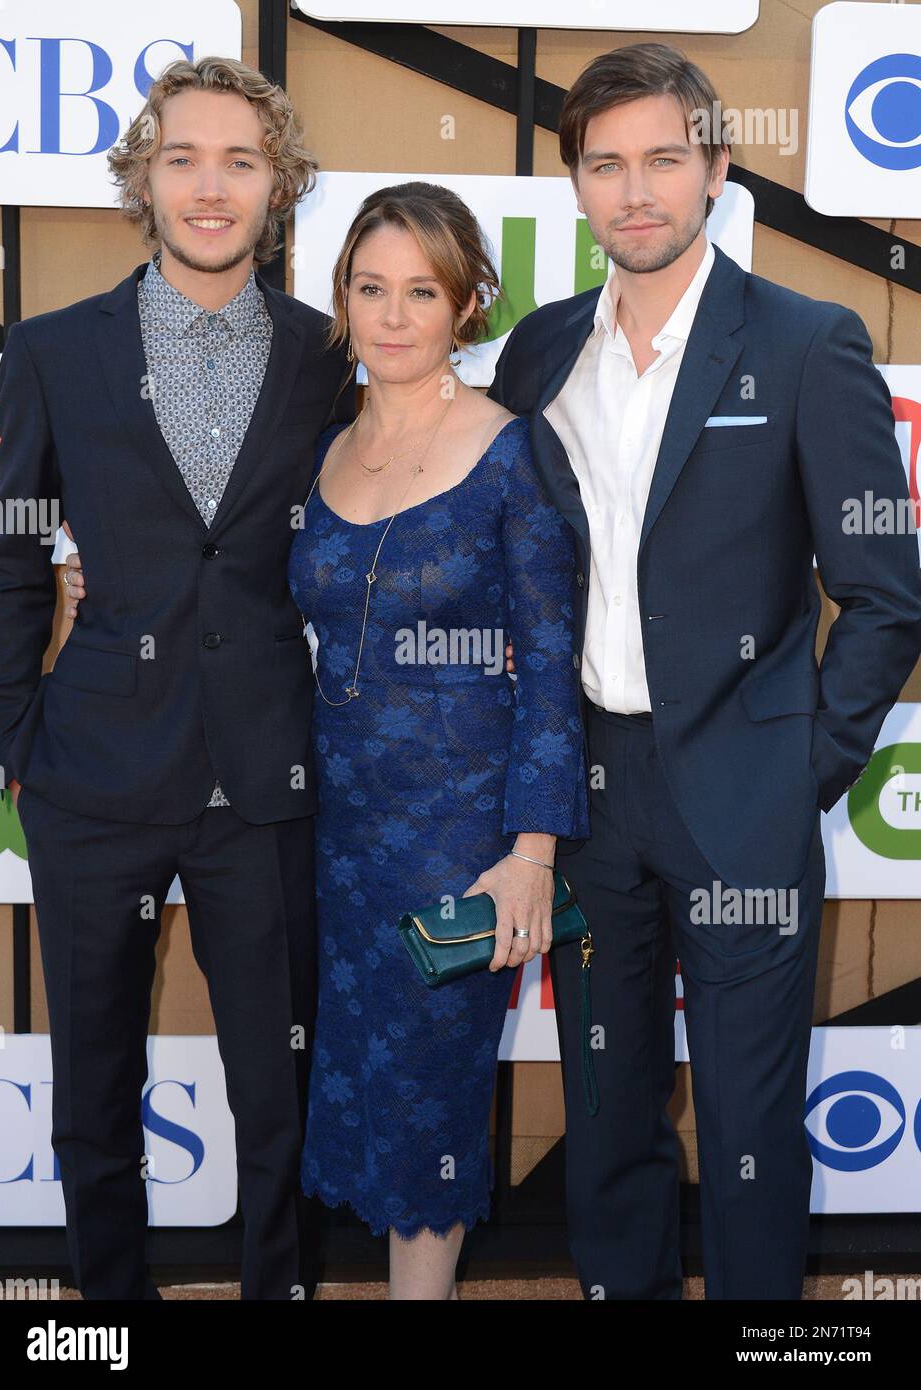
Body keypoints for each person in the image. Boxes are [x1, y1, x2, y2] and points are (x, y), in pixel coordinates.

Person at [487, 42, 921, 1300]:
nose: (634, 192)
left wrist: (799, 772)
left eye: (661, 160)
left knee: (744, 1124)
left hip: (742, 796)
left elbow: (884, 592)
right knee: (606, 1110)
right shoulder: (536, 355)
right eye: (604, 164)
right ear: (575, 183)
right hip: (582, 801)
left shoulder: (805, 342)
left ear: (715, 169)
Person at [0, 56, 354, 1300]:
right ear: (143, 174)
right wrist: (18, 738)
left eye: (240, 161)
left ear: (277, 185)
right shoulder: (49, 351)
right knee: (91, 1093)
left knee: (277, 1091)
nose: (210, 186)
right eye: (184, 157)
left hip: (266, 776)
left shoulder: (326, 356)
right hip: (90, 772)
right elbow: (17, 550)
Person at [287, 182, 589, 1299]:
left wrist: (531, 854)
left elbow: (551, 665)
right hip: (333, 831)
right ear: (343, 300)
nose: (394, 314)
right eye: (372, 287)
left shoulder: (513, 453)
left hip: (459, 839)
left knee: (432, 1094)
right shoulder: (320, 450)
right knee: (359, 1084)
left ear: (465, 307)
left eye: (422, 290)